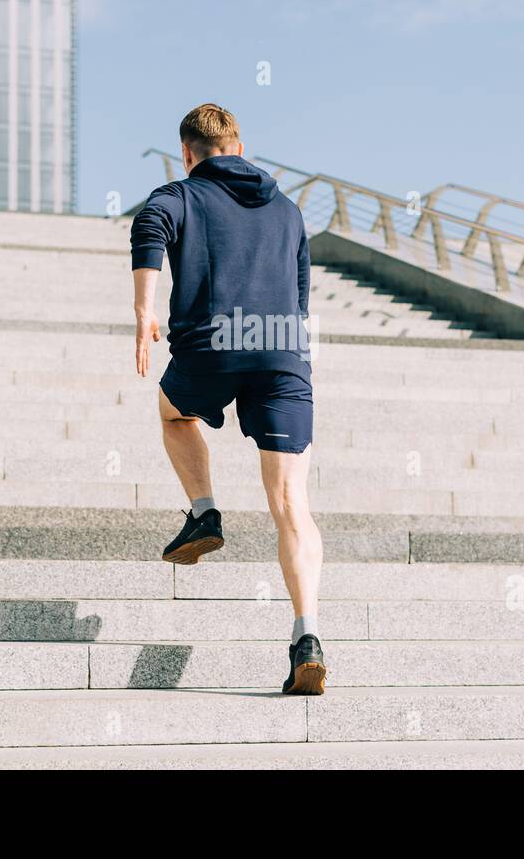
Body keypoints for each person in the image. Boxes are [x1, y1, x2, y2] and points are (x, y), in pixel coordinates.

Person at [130, 103, 325, 695]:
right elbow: (299, 296)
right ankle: (306, 634)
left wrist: (144, 312)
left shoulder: (179, 194)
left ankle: (204, 511)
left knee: (172, 413)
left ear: (188, 153)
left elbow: (148, 228)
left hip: (212, 347)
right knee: (292, 503)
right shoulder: (289, 210)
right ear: (240, 149)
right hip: (282, 354)